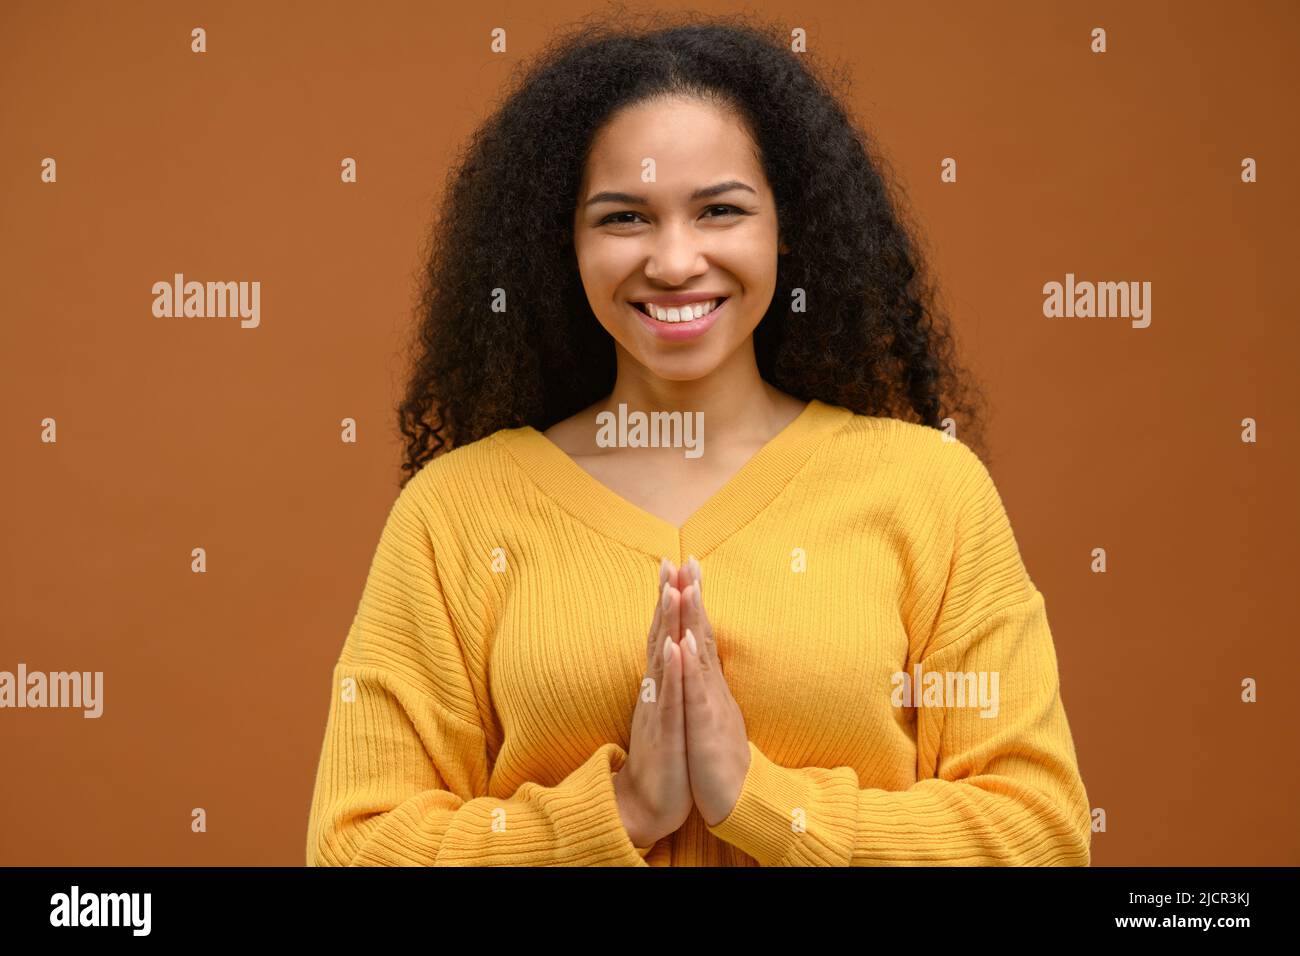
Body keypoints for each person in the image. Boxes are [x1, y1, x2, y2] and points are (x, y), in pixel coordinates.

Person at [305, 11, 1091, 866]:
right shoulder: (453, 514)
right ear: (559, 245)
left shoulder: (930, 492)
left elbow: (1042, 836)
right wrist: (621, 810)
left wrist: (758, 801)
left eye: (719, 210)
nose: (675, 261)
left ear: (789, 229)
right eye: (623, 218)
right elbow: (355, 849)